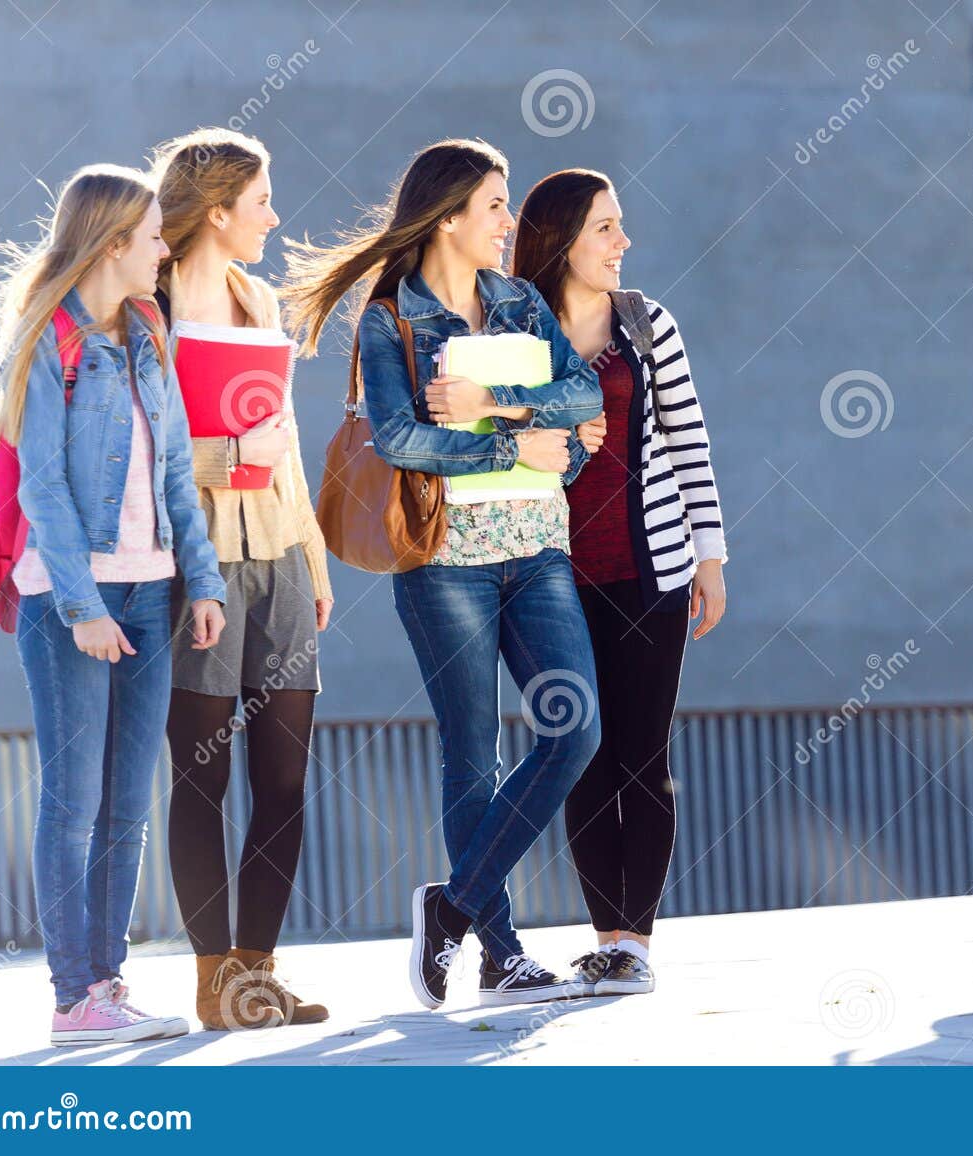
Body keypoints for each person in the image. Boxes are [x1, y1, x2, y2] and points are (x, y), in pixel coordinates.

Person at [280, 138, 603, 1007]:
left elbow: (583, 398)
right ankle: (500, 953)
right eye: (495, 207)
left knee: (576, 733)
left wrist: (495, 405)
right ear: (452, 215)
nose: (509, 223)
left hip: (538, 548)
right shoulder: (391, 320)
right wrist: (512, 441)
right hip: (443, 561)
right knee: (472, 756)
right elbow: (400, 439)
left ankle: (451, 909)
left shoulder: (523, 303)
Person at [0, 164, 228, 1044]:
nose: (164, 249)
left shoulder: (151, 331)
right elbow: (42, 481)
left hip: (153, 591)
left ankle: (109, 987)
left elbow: (176, 473)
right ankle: (72, 996)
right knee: (73, 802)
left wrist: (203, 579)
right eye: (154, 235)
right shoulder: (50, 339)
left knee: (126, 803)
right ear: (114, 243)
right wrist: (81, 605)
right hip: (69, 597)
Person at [505, 168, 727, 996]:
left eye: (621, 225)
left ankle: (633, 944)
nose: (622, 241)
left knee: (644, 756)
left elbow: (689, 440)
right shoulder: (516, 327)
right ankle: (603, 934)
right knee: (580, 756)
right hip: (550, 581)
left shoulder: (646, 323)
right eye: (606, 227)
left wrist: (710, 557)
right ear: (563, 237)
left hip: (653, 572)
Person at [152, 127, 332, 1030]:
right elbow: (133, 456)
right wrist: (224, 456)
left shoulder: (257, 297)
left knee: (286, 777)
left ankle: (257, 977)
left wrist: (312, 551)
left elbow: (285, 441)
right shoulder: (142, 311)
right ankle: (212, 981)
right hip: (197, 567)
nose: (273, 215)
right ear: (218, 213)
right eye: (261, 201)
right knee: (202, 778)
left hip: (279, 557)